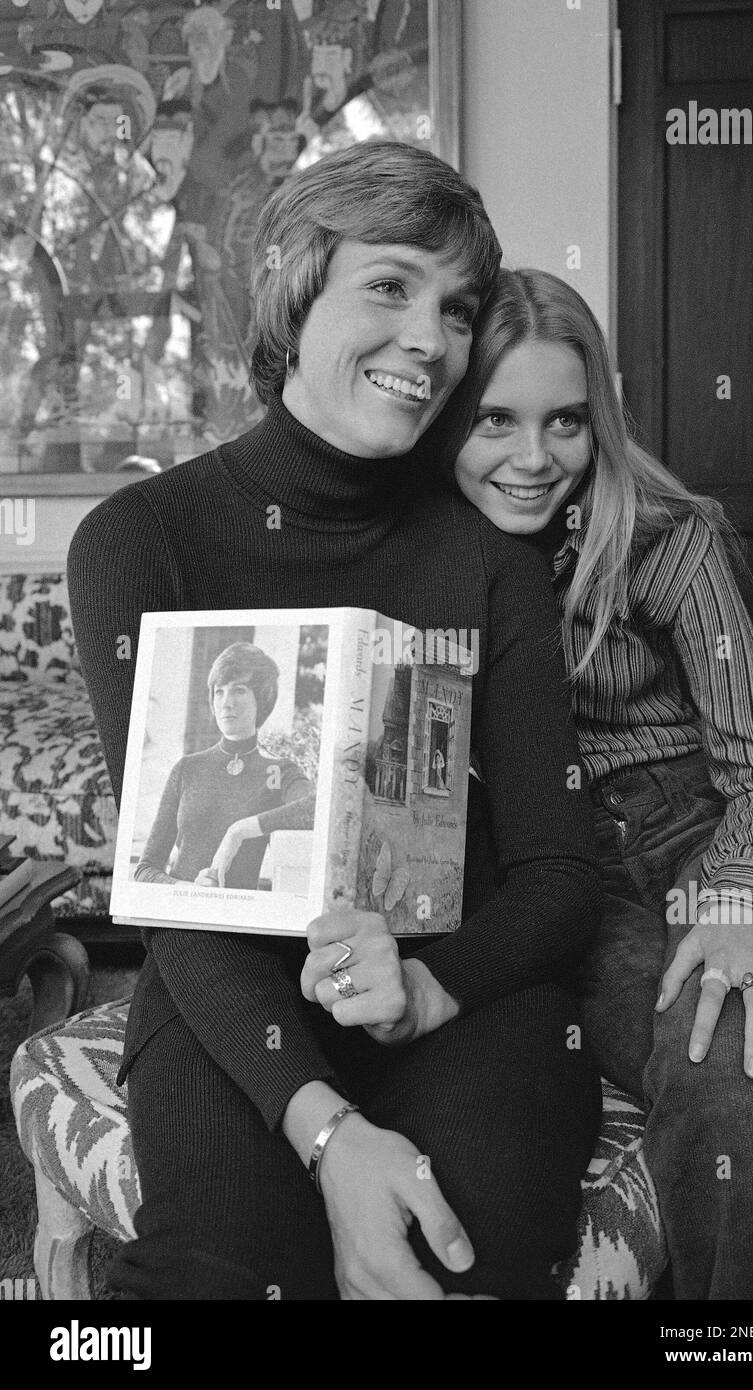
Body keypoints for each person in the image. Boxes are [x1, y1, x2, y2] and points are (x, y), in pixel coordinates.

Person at [67, 144, 602, 1301]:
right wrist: (330, 1137)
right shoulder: (137, 539)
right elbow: (173, 899)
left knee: (465, 1258)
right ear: (299, 284)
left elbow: (562, 876)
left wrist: (427, 990)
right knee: (212, 1279)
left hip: (462, 995)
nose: (431, 338)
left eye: (457, 308)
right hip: (230, 1004)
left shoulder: (486, 563)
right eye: (390, 285)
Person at [441, 266, 753, 1300]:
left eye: (566, 421)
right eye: (494, 419)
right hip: (548, 873)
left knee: (734, 1068)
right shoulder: (418, 552)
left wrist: (747, 900)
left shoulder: (671, 538)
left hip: (694, 838)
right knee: (733, 1077)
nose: (534, 460)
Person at [135, 642, 315, 891]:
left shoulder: (278, 771)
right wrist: (189, 890)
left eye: (239, 690)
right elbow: (145, 869)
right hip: (179, 911)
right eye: (219, 691)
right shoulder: (187, 769)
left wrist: (239, 831)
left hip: (240, 918)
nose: (226, 702)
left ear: (261, 698)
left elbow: (317, 808)